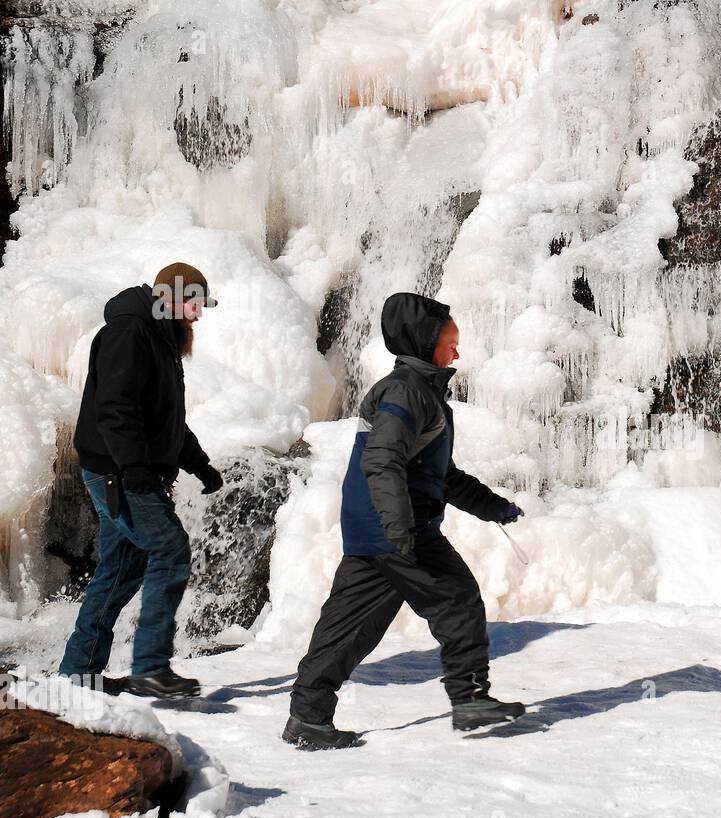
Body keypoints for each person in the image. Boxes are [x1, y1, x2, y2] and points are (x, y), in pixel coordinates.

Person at [284, 292, 526, 750]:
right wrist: (400, 532)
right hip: (396, 526)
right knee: (458, 601)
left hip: (371, 528)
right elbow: (382, 461)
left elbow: (439, 475)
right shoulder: (407, 393)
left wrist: (492, 506)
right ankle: (471, 701)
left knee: (350, 625)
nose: (458, 351)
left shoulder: (416, 391)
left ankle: (308, 719)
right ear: (425, 342)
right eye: (450, 342)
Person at [58, 263, 225, 699]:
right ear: (170, 297)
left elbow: (166, 420)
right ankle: (151, 667)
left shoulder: (160, 339)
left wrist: (198, 464)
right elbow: (116, 408)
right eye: (193, 303)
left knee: (118, 573)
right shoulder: (130, 333)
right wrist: (135, 469)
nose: (198, 314)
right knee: (170, 549)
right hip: (119, 473)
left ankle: (78, 676)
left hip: (127, 471)